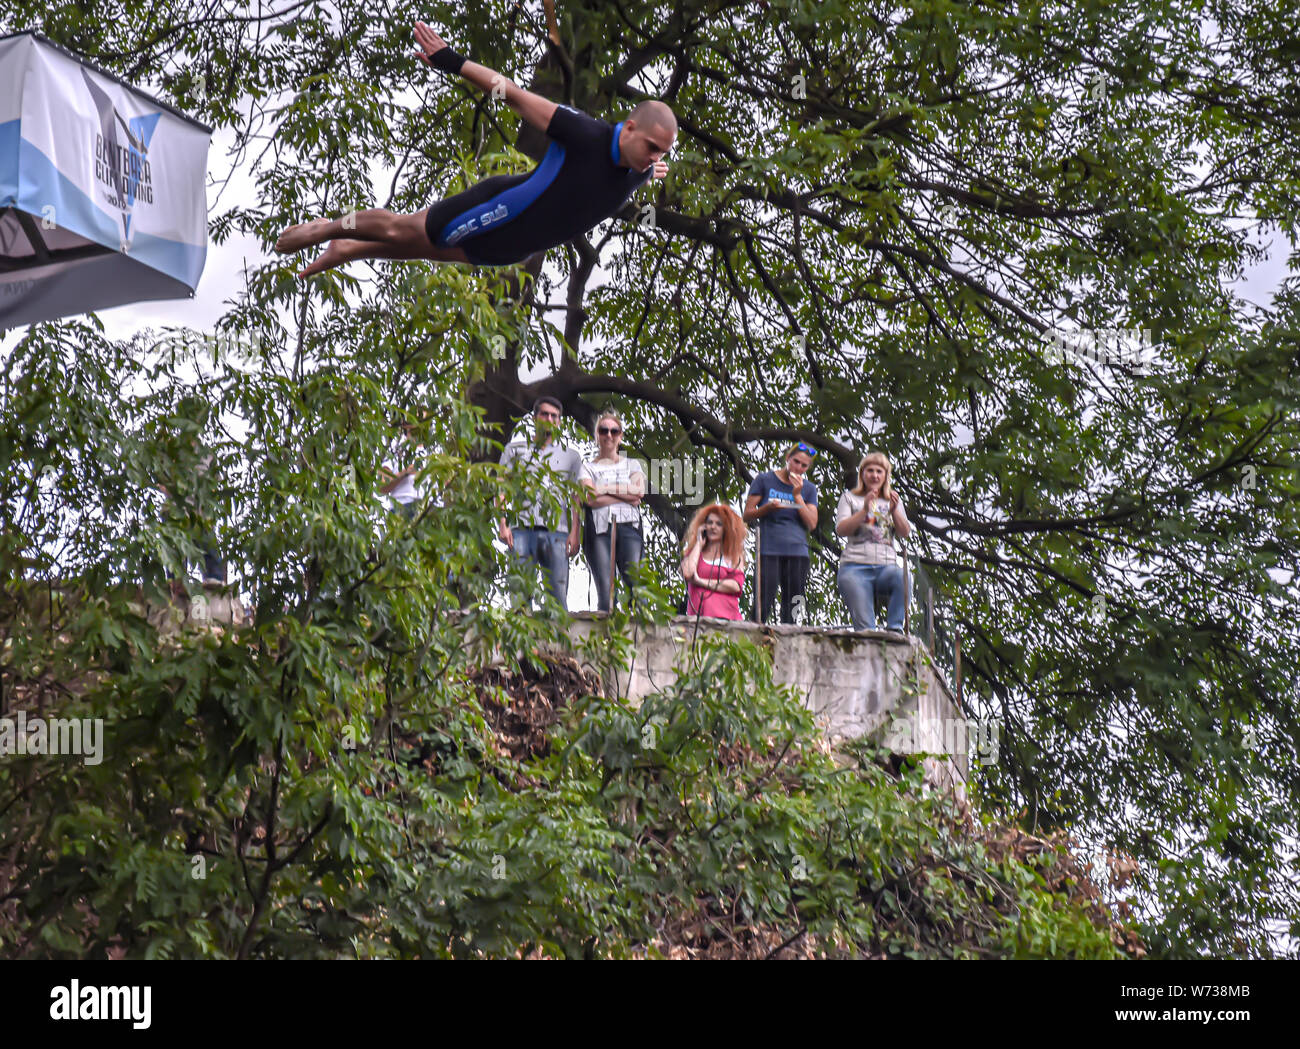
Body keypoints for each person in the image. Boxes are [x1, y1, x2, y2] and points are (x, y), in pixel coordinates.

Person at [274, 21, 676, 279]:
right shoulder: (584, 133)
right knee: (401, 229)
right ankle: (328, 228)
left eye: (662, 153)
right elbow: (513, 95)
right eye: (652, 146)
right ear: (629, 128)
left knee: (418, 248)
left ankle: (348, 250)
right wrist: (451, 60)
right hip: (498, 210)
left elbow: (644, 172)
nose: (655, 157)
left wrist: (653, 168)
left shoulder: (640, 170)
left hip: (511, 249)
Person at [498, 396, 583, 610]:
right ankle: (522, 643)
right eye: (544, 414)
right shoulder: (515, 450)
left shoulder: (571, 456)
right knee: (519, 597)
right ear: (535, 418)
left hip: (557, 532)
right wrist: (502, 523)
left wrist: (575, 532)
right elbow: (501, 489)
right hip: (520, 530)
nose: (549, 419)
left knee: (556, 596)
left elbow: (576, 496)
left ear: (559, 422)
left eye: (554, 416)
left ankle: (557, 643)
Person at [835, 451, 912, 632]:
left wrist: (894, 511)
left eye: (879, 471)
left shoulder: (893, 500)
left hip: (886, 566)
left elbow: (905, 532)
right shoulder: (849, 498)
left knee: (905, 577)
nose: (875, 475)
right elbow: (841, 530)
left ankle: (894, 628)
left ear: (886, 476)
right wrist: (863, 511)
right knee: (865, 630)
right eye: (870, 470)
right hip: (855, 566)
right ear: (863, 474)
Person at [743, 443, 818, 624]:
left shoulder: (808, 489)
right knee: (763, 601)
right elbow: (747, 514)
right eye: (796, 462)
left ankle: (792, 641)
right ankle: (753, 639)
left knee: (793, 604)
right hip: (769, 549)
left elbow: (812, 523)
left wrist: (797, 495)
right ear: (787, 459)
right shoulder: (764, 480)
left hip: (797, 551)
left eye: (803, 465)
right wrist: (767, 508)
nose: (798, 468)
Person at [581, 409, 645, 613]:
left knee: (635, 584)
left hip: (630, 527)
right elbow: (589, 498)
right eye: (603, 430)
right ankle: (606, 638)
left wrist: (605, 488)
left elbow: (639, 492)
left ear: (620, 436)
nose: (609, 435)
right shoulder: (587, 467)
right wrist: (624, 493)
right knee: (606, 590)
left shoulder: (632, 464)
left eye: (614, 431)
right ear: (597, 435)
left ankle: (638, 635)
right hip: (600, 530)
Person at [680, 504, 748, 621]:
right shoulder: (695, 552)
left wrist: (699, 581)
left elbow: (735, 586)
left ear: (726, 528)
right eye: (709, 522)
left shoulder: (734, 555)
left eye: (718, 524)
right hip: (698, 619)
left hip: (728, 620)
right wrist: (698, 544)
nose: (713, 527)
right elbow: (687, 573)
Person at [378, 422, 426, 521]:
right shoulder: (394, 448)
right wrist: (405, 473)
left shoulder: (435, 449)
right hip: (401, 506)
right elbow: (382, 487)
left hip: (427, 509)